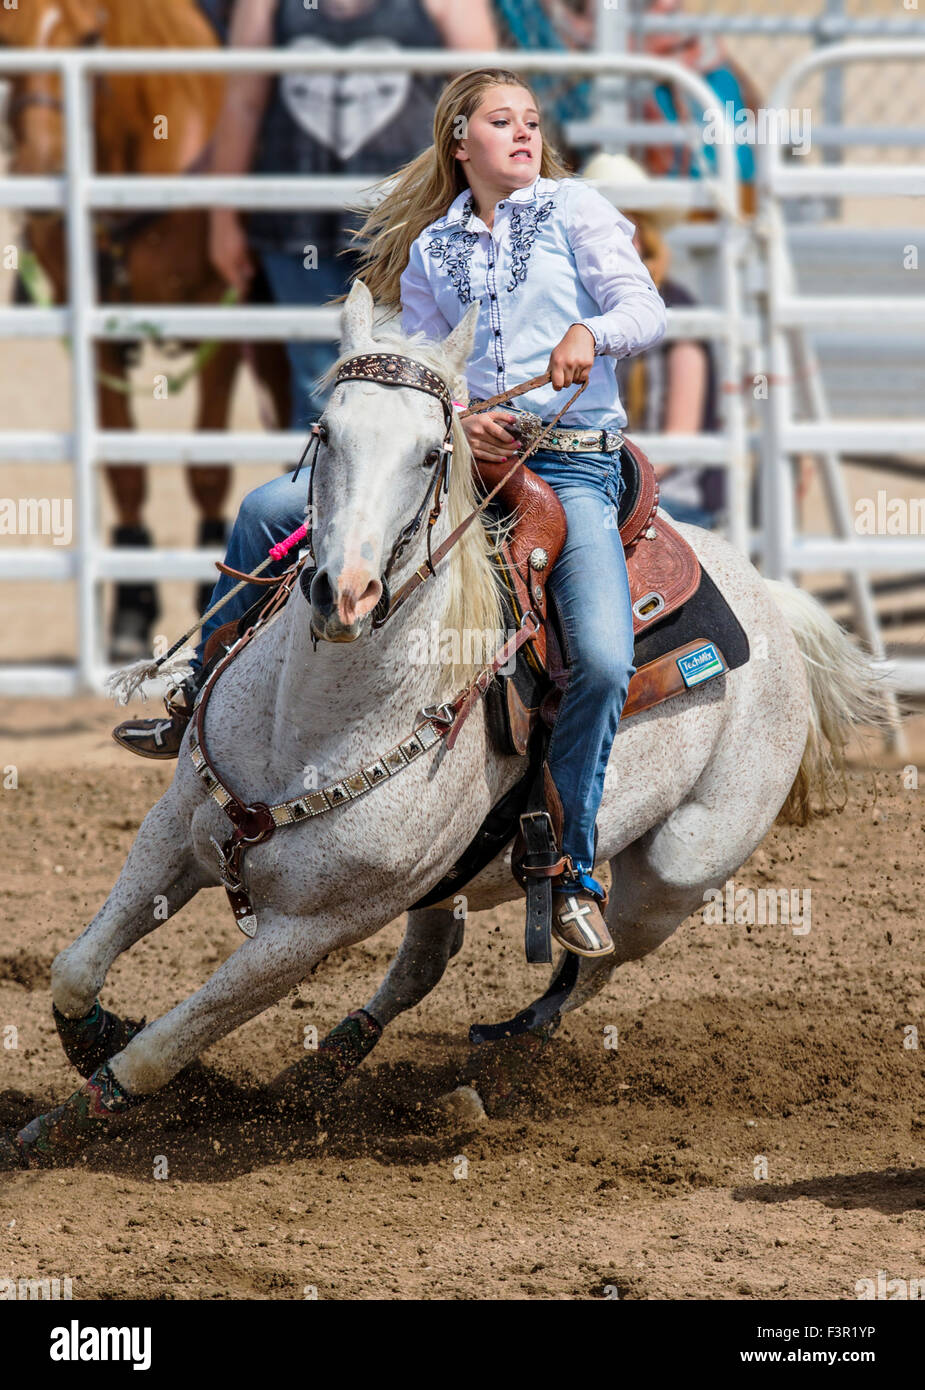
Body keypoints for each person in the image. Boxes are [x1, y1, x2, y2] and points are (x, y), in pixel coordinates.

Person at [114, 68, 667, 961]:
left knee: (601, 654)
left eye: (530, 121)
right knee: (265, 511)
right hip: (455, 458)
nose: (523, 134)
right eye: (501, 121)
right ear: (461, 143)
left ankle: (569, 862)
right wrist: (456, 412)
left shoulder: (577, 211)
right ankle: (195, 702)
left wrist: (587, 335)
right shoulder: (432, 250)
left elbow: (641, 307)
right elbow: (418, 362)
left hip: (570, 465)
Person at [208, 0, 498, 430]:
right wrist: (223, 215)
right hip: (296, 226)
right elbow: (243, 103)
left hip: (408, 228)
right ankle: (313, 494)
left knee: (411, 373)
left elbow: (482, 103)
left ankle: (405, 492)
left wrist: (490, 202)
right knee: (317, 381)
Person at [582, 153, 722, 528]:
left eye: (624, 229)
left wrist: (613, 483)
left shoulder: (676, 308)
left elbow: (680, 433)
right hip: (595, 484)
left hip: (664, 494)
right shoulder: (571, 308)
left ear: (643, 237)